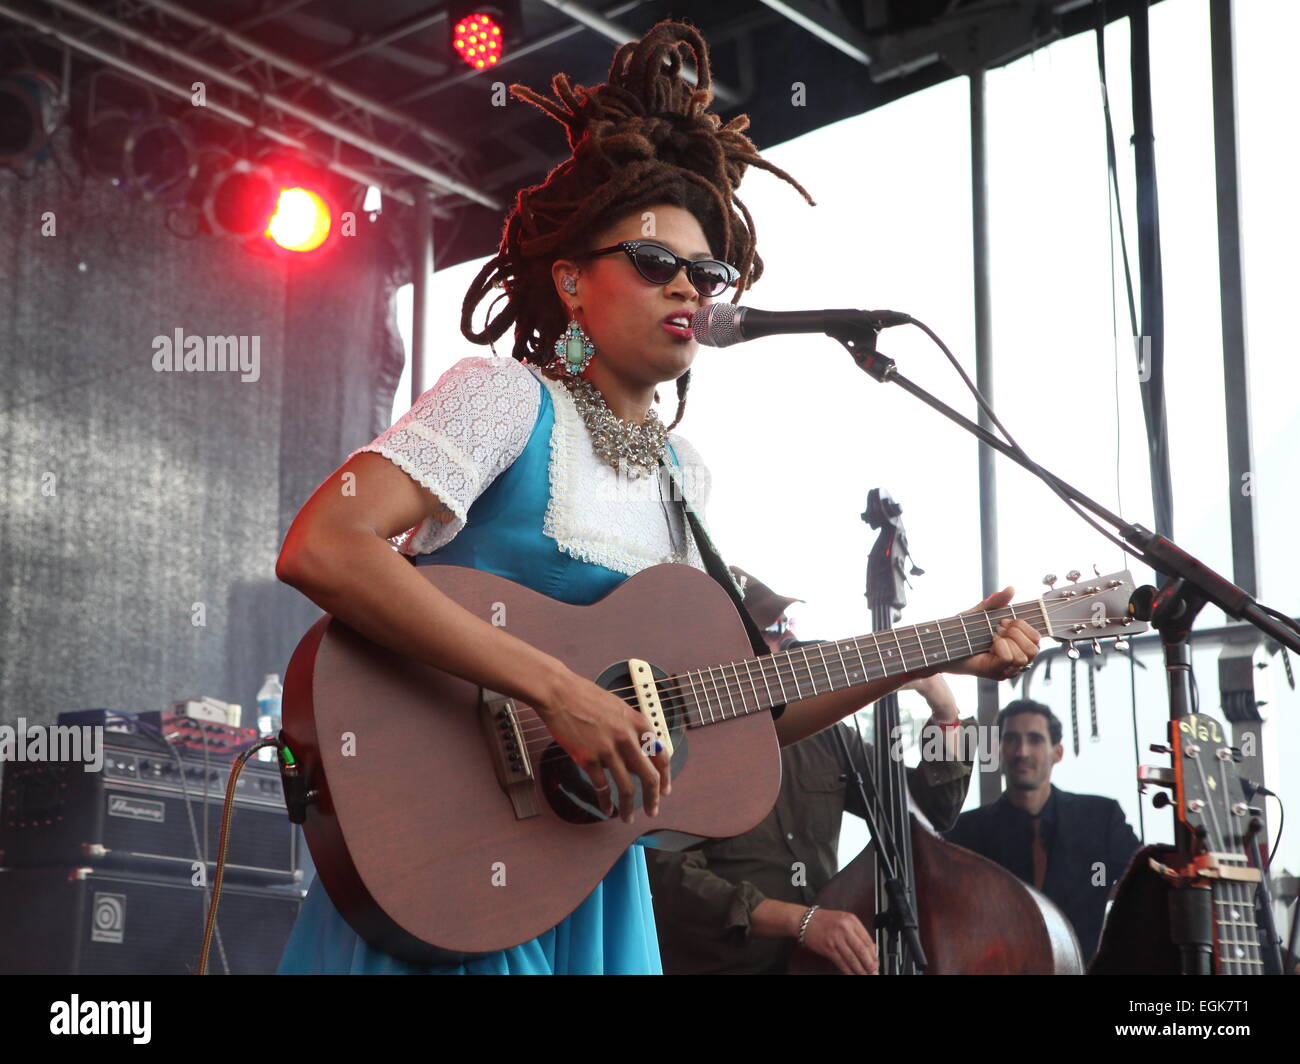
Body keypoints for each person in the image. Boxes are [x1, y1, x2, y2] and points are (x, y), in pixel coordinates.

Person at [273, 20, 1041, 975]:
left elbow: (741, 716)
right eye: (653, 261)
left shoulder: (686, 476)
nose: (689, 284)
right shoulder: (506, 399)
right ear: (570, 282)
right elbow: (323, 545)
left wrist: (939, 650)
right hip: (449, 849)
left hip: (587, 874)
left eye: (708, 271)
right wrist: (558, 691)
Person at [646, 568, 975, 975]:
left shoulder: (829, 737)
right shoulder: (677, 742)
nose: (781, 639)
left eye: (784, 625)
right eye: (766, 628)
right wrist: (799, 921)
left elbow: (929, 812)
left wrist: (945, 713)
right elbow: (665, 879)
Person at [943, 699, 1140, 964]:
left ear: (1057, 752)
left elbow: (1143, 884)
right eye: (1011, 739)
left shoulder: (1101, 818)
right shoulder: (964, 833)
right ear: (998, 750)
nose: (1022, 751)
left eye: (1035, 739)